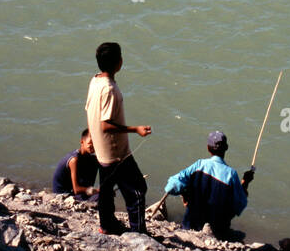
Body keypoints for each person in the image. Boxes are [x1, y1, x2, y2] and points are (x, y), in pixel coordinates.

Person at [84, 41, 152, 235]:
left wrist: (93, 139)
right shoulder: (109, 89)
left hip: (101, 150)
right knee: (138, 190)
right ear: (118, 63)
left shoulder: (95, 80)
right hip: (116, 152)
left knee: (106, 190)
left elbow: (90, 110)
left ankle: (106, 225)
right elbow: (106, 124)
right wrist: (135, 129)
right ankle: (139, 235)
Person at [164, 131, 253, 240]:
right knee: (240, 234)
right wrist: (245, 183)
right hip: (217, 232)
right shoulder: (231, 174)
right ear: (226, 148)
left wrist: (185, 194)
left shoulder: (199, 165)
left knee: (188, 185)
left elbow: (170, 187)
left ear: (208, 148)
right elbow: (240, 204)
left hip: (190, 225)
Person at [52, 128, 99, 197]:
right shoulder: (74, 160)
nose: (93, 146)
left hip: (73, 191)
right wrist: (97, 191)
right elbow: (76, 189)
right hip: (62, 194)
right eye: (90, 143)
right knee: (102, 196)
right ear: (82, 142)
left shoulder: (92, 159)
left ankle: (88, 196)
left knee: (96, 161)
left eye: (95, 143)